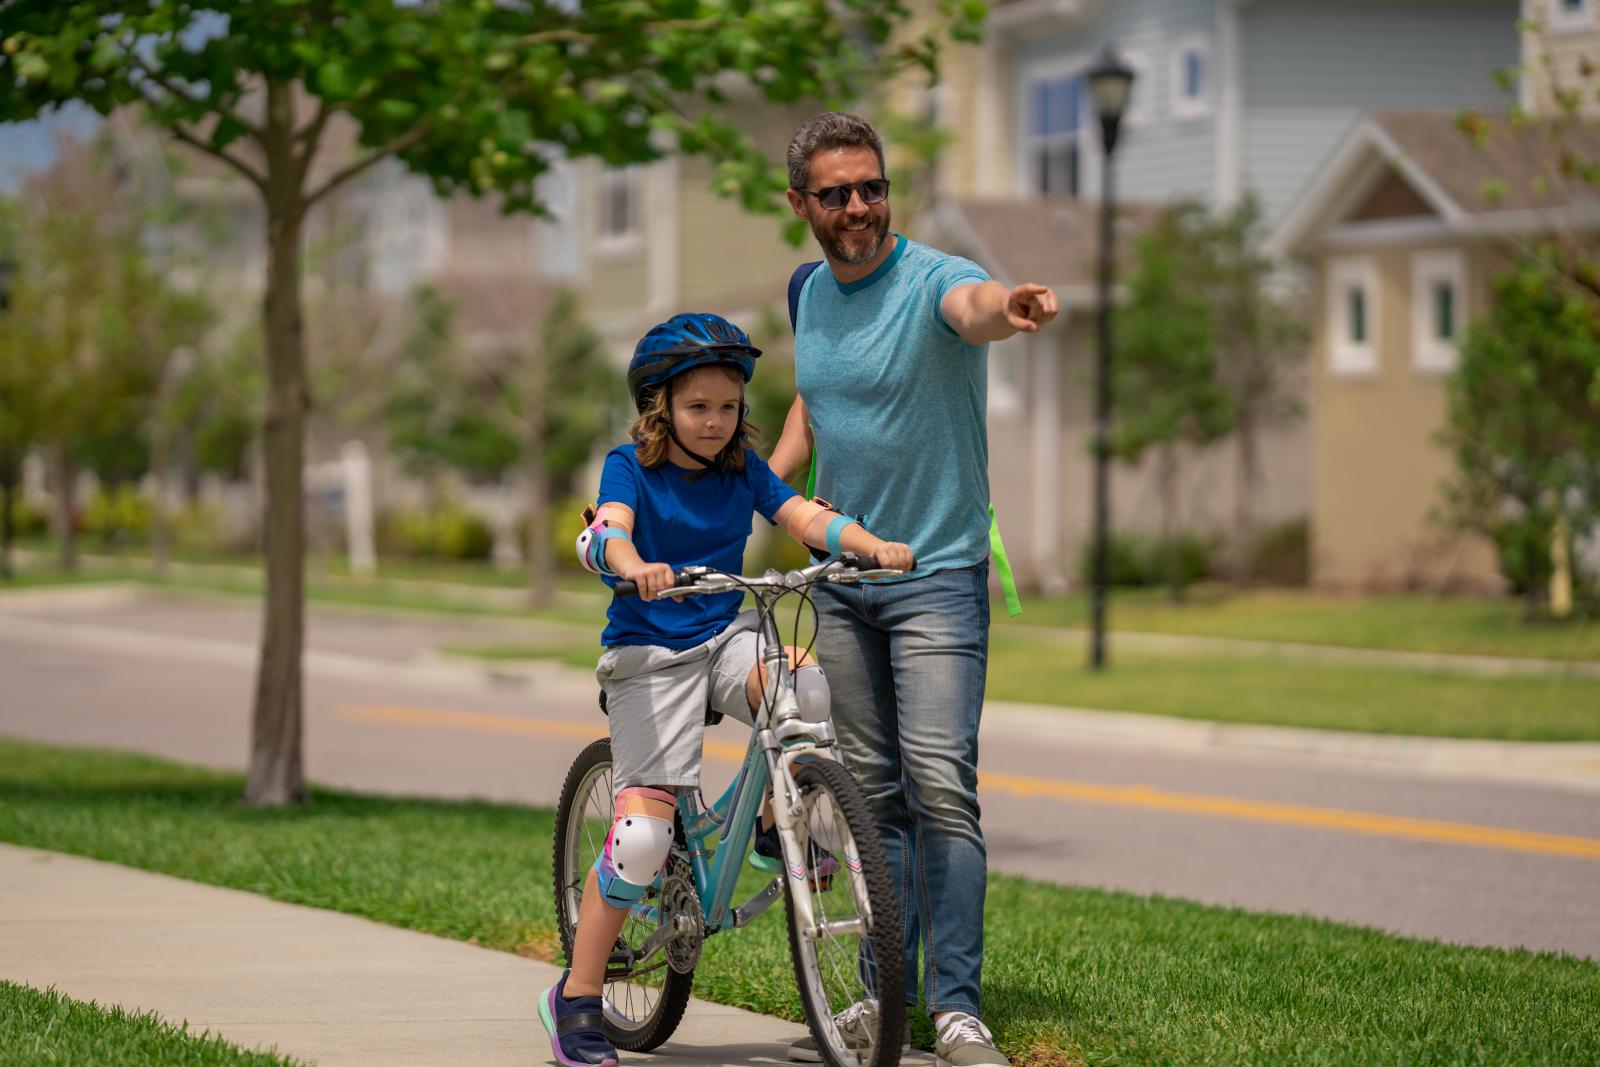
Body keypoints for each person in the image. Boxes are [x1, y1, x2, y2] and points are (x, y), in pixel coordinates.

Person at [539, 311, 914, 1067]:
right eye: (697, 407)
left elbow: (796, 509)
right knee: (644, 839)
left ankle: (785, 818)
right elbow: (603, 530)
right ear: (661, 408)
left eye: (728, 406)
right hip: (649, 652)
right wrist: (628, 558)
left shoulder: (741, 466)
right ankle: (577, 996)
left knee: (801, 680)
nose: (715, 421)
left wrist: (862, 542)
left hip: (722, 634)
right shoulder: (630, 466)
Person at [768, 112, 1059, 1067]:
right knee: (872, 796)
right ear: (801, 204)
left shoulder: (934, 279)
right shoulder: (808, 290)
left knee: (942, 788)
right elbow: (817, 392)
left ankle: (959, 1008)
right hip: (843, 579)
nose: (859, 206)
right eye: (838, 193)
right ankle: (882, 999)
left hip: (935, 574)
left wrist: (1006, 307)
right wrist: (765, 487)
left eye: (872, 187)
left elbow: (969, 308)